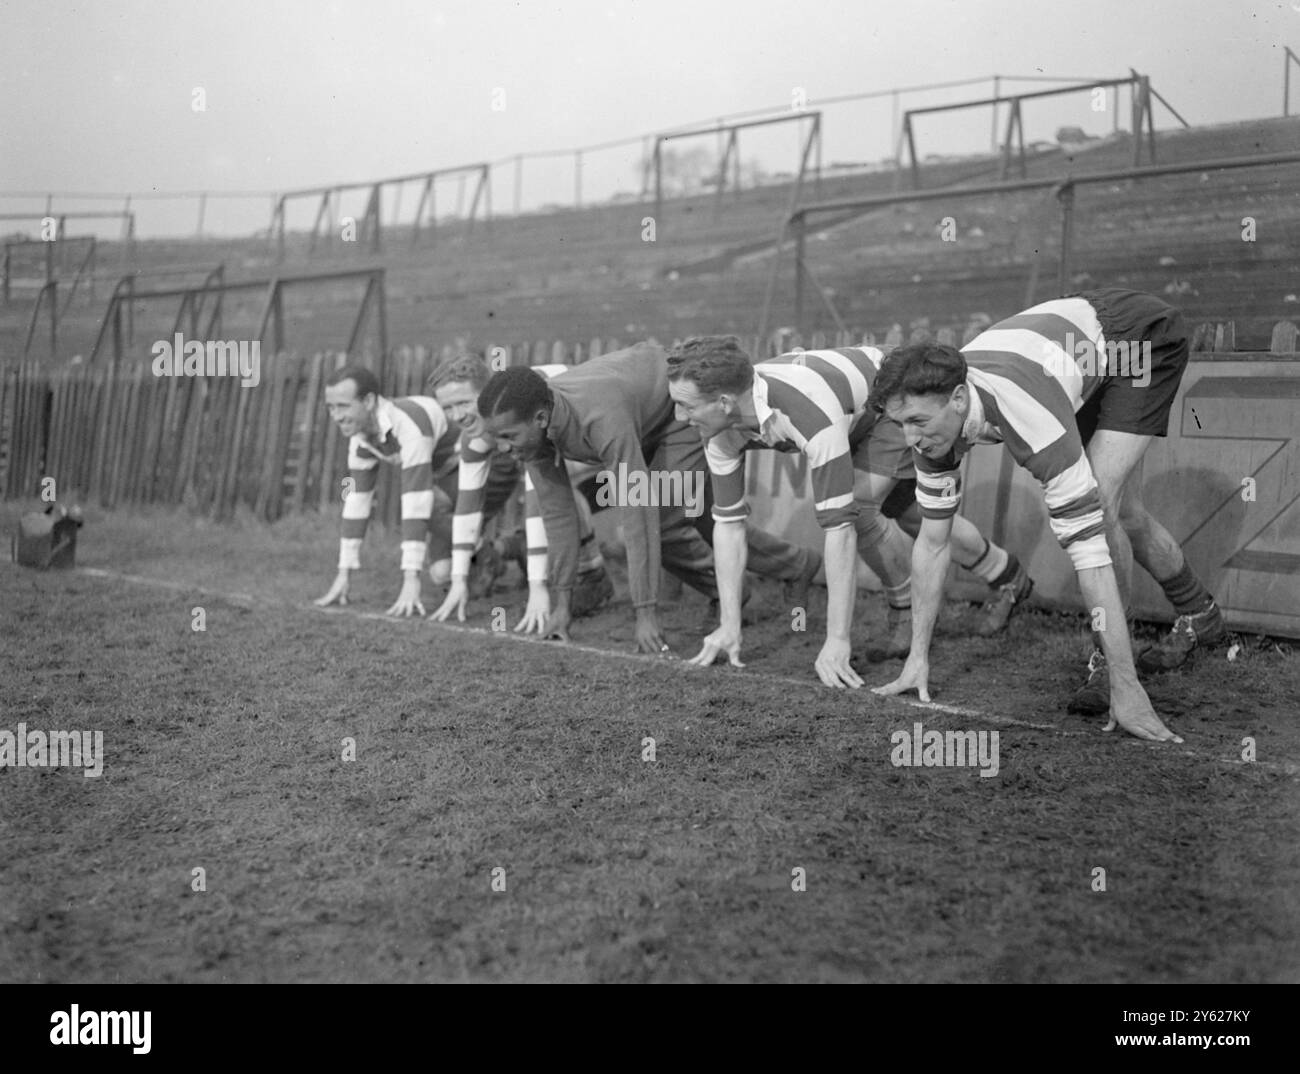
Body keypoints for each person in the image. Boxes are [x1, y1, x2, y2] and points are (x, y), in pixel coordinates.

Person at [871, 287, 1224, 743]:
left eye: (916, 422)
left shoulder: (1028, 414)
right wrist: (917, 658)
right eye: (901, 424)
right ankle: (1201, 614)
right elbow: (933, 542)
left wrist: (1127, 687)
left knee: (1103, 500)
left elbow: (1091, 557)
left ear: (959, 398)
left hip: (1136, 340)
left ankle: (1116, 672)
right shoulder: (934, 426)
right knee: (1126, 511)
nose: (910, 438)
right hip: (1075, 349)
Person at [665, 337, 1033, 689]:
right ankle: (1006, 574)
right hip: (852, 414)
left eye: (687, 405)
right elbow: (728, 525)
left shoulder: (807, 414)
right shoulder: (720, 429)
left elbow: (839, 530)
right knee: (910, 511)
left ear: (726, 403)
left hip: (889, 406)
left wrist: (837, 639)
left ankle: (904, 608)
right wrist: (731, 625)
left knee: (856, 509)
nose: (680, 416)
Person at [476, 342, 822, 655]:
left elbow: (637, 511)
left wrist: (645, 612)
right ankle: (795, 566)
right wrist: (561, 605)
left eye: (508, 437)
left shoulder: (599, 415)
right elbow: (559, 516)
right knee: (701, 515)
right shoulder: (535, 434)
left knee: (665, 520)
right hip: (640, 420)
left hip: (677, 417)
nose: (503, 449)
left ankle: (729, 591)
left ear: (539, 419)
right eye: (497, 439)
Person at [425, 354, 612, 632]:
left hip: (599, 423)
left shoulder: (520, 412)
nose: (457, 416)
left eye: (464, 402)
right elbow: (468, 506)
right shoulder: (476, 437)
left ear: (488, 392)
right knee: (548, 493)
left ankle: (592, 573)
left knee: (556, 492)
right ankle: (544, 562)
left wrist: (538, 589)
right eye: (447, 407)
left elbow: (540, 504)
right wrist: (459, 580)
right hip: (574, 439)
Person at [315, 364, 458, 617]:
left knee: (427, 503)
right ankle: (485, 556)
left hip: (478, 470)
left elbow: (417, 500)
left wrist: (411, 579)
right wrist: (343, 574)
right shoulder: (360, 438)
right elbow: (356, 501)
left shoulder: (408, 424)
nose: (336, 416)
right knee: (441, 573)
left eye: (343, 406)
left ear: (369, 401)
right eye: (331, 407)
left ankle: (499, 548)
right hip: (441, 482)